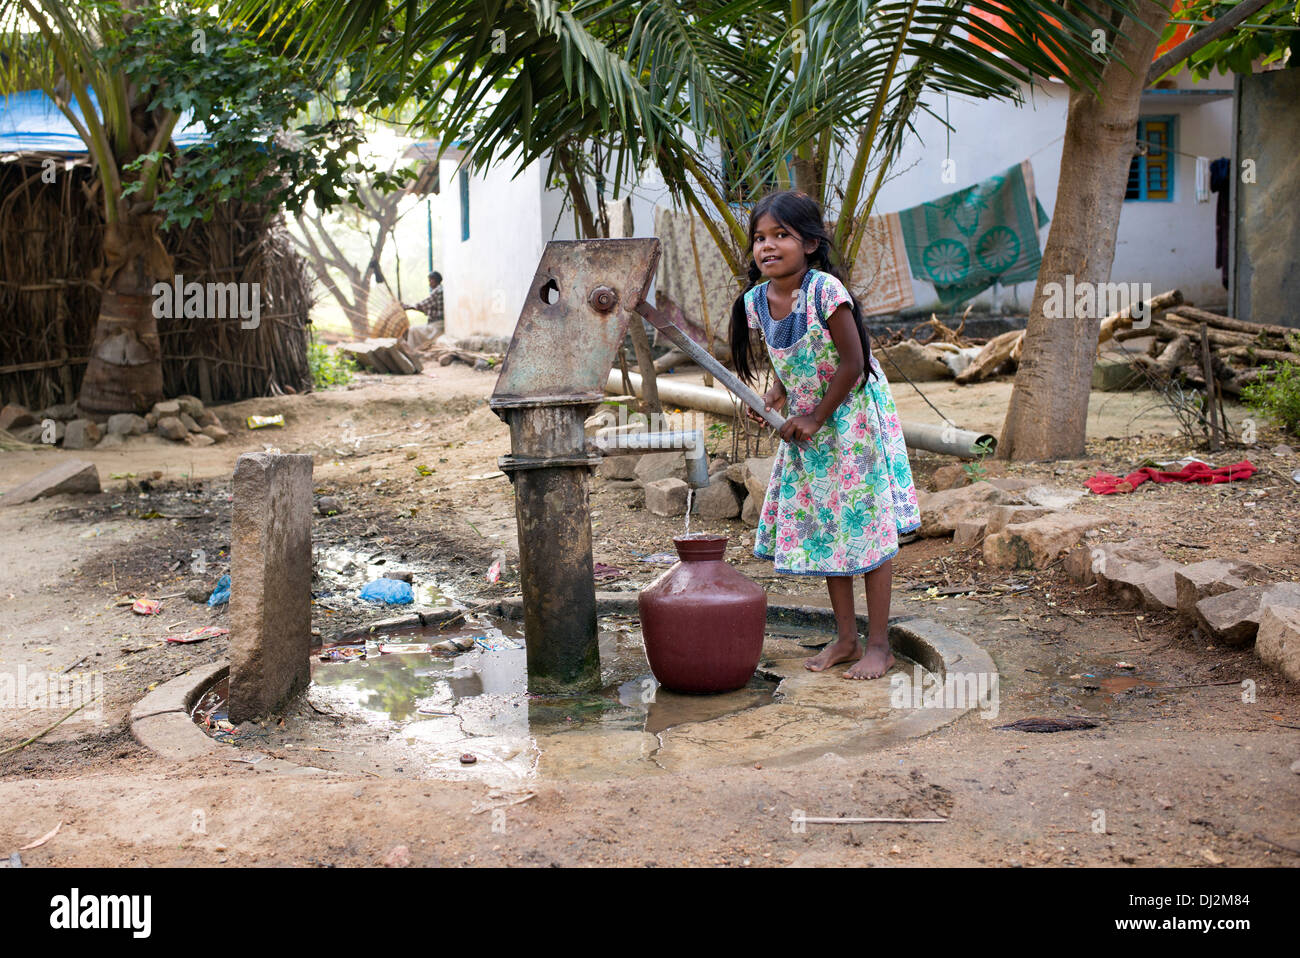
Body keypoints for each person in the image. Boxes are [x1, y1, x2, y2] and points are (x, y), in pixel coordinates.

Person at [730, 190, 921, 680]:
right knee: (827, 524)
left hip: (853, 420)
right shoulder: (757, 301)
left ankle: (880, 644)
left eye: (781, 236)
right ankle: (846, 638)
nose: (767, 246)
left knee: (867, 525)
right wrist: (777, 396)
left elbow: (853, 364)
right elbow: (788, 359)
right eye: (760, 238)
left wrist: (814, 415)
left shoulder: (825, 292)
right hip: (811, 428)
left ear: (811, 243)